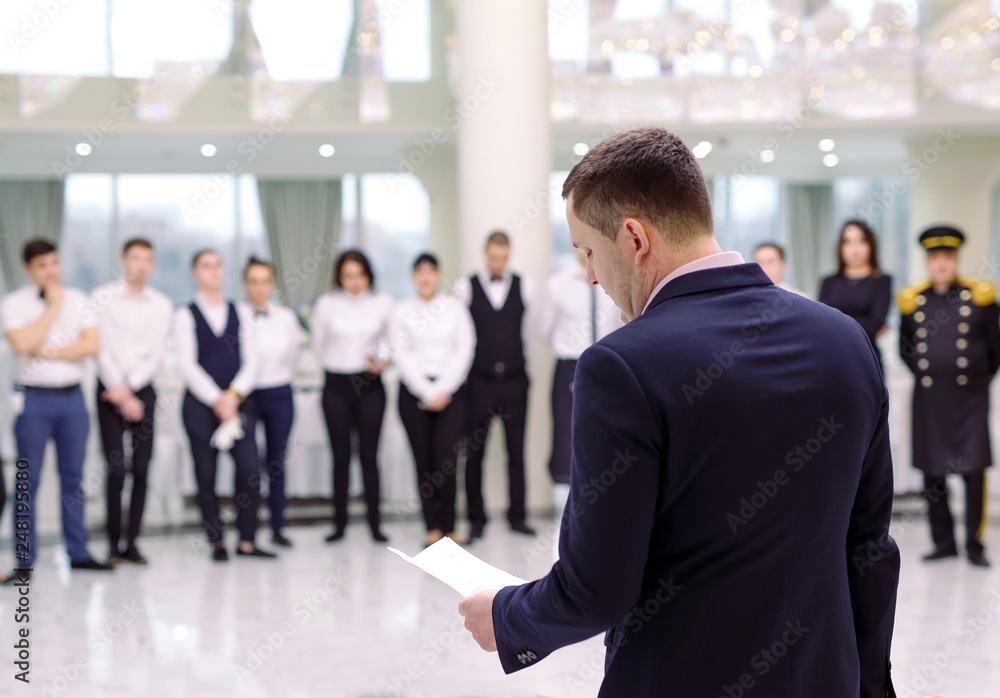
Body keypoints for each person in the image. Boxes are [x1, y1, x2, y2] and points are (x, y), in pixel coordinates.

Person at [458, 128, 899, 697]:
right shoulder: (844, 341)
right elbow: (869, 548)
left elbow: (597, 588)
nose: (591, 275)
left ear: (634, 238)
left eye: (588, 251)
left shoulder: (620, 366)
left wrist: (505, 615)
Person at [0, 239, 113, 582]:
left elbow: (92, 345)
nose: (50, 271)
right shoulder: (14, 303)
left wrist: (45, 350)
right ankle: (24, 560)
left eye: (53, 263)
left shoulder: (79, 300)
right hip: (33, 401)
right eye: (41, 266)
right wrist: (50, 310)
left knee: (73, 480)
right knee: (26, 480)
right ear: (28, 269)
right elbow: (21, 343)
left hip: (73, 400)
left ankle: (77, 551)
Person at [898, 226, 1000, 568]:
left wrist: (976, 381)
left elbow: (994, 347)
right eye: (935, 258)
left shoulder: (981, 297)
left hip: (969, 398)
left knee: (974, 471)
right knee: (933, 470)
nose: (941, 264)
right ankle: (943, 542)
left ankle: (974, 544)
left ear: (955, 260)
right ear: (928, 261)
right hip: (930, 398)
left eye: (947, 257)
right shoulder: (914, 301)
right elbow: (906, 348)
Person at [173, 249, 275, 561]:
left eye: (218, 265)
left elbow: (252, 360)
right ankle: (216, 540)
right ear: (194, 273)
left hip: (237, 404)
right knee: (206, 473)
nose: (214, 271)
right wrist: (216, 399)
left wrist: (233, 396)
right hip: (200, 406)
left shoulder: (241, 312)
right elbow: (187, 365)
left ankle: (247, 540)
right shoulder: (184, 314)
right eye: (206, 266)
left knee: (248, 469)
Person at [92, 238, 173, 566]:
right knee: (115, 469)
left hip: (143, 390)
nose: (141, 264)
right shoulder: (101, 297)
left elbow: (157, 353)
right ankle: (113, 543)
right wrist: (119, 389)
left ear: (152, 265)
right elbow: (99, 347)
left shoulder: (162, 304)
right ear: (123, 259)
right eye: (135, 258)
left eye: (147, 259)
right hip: (108, 390)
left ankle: (133, 542)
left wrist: (132, 389)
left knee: (141, 468)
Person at [453, 231, 536, 540]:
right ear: (484, 254)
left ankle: (519, 516)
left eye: (503, 258)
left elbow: (527, 333)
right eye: (493, 257)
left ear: (509, 255)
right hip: (479, 381)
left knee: (517, 451)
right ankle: (476, 518)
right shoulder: (465, 287)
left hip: (515, 380)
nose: (498, 263)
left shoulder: (525, 285)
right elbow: (461, 335)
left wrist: (516, 364)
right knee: (474, 451)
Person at [391, 253, 475, 547]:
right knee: (423, 460)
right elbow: (401, 354)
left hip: (450, 394)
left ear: (438, 275)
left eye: (431, 272)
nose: (426, 277)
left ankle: (450, 526)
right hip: (413, 395)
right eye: (420, 272)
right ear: (413, 277)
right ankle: (432, 527)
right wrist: (426, 392)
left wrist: (442, 389)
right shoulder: (401, 311)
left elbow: (464, 350)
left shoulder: (455, 309)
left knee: (448, 461)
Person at [311, 250, 393, 543]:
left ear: (368, 275)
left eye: (359, 275)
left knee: (370, 457)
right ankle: (339, 524)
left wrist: (382, 359)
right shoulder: (326, 304)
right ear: (339, 277)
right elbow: (317, 345)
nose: (354, 281)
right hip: (336, 385)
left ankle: (375, 524)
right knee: (340, 457)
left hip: (369, 384)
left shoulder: (383, 303)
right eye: (348, 276)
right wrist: (337, 364)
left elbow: (394, 341)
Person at [534, 248, 622, 518]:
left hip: (609, 363)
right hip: (570, 366)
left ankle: (605, 506)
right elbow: (543, 330)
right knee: (566, 436)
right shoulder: (557, 285)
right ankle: (567, 513)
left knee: (609, 432)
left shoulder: (615, 280)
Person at [240, 257, 300, 549]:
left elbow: (292, 354)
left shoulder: (286, 317)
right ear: (245, 284)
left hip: (279, 393)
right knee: (248, 464)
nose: (259, 288)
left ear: (272, 284)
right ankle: (246, 530)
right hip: (247, 396)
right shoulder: (236, 315)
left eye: (265, 281)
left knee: (277, 462)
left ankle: (278, 526)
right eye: (253, 281)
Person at [819, 220, 892, 370]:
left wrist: (834, 322)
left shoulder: (882, 281)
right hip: (831, 359)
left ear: (871, 245)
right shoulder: (828, 282)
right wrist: (860, 322)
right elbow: (820, 323)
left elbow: (874, 325)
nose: (855, 248)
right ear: (840, 247)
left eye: (861, 241)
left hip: (867, 359)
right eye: (848, 242)